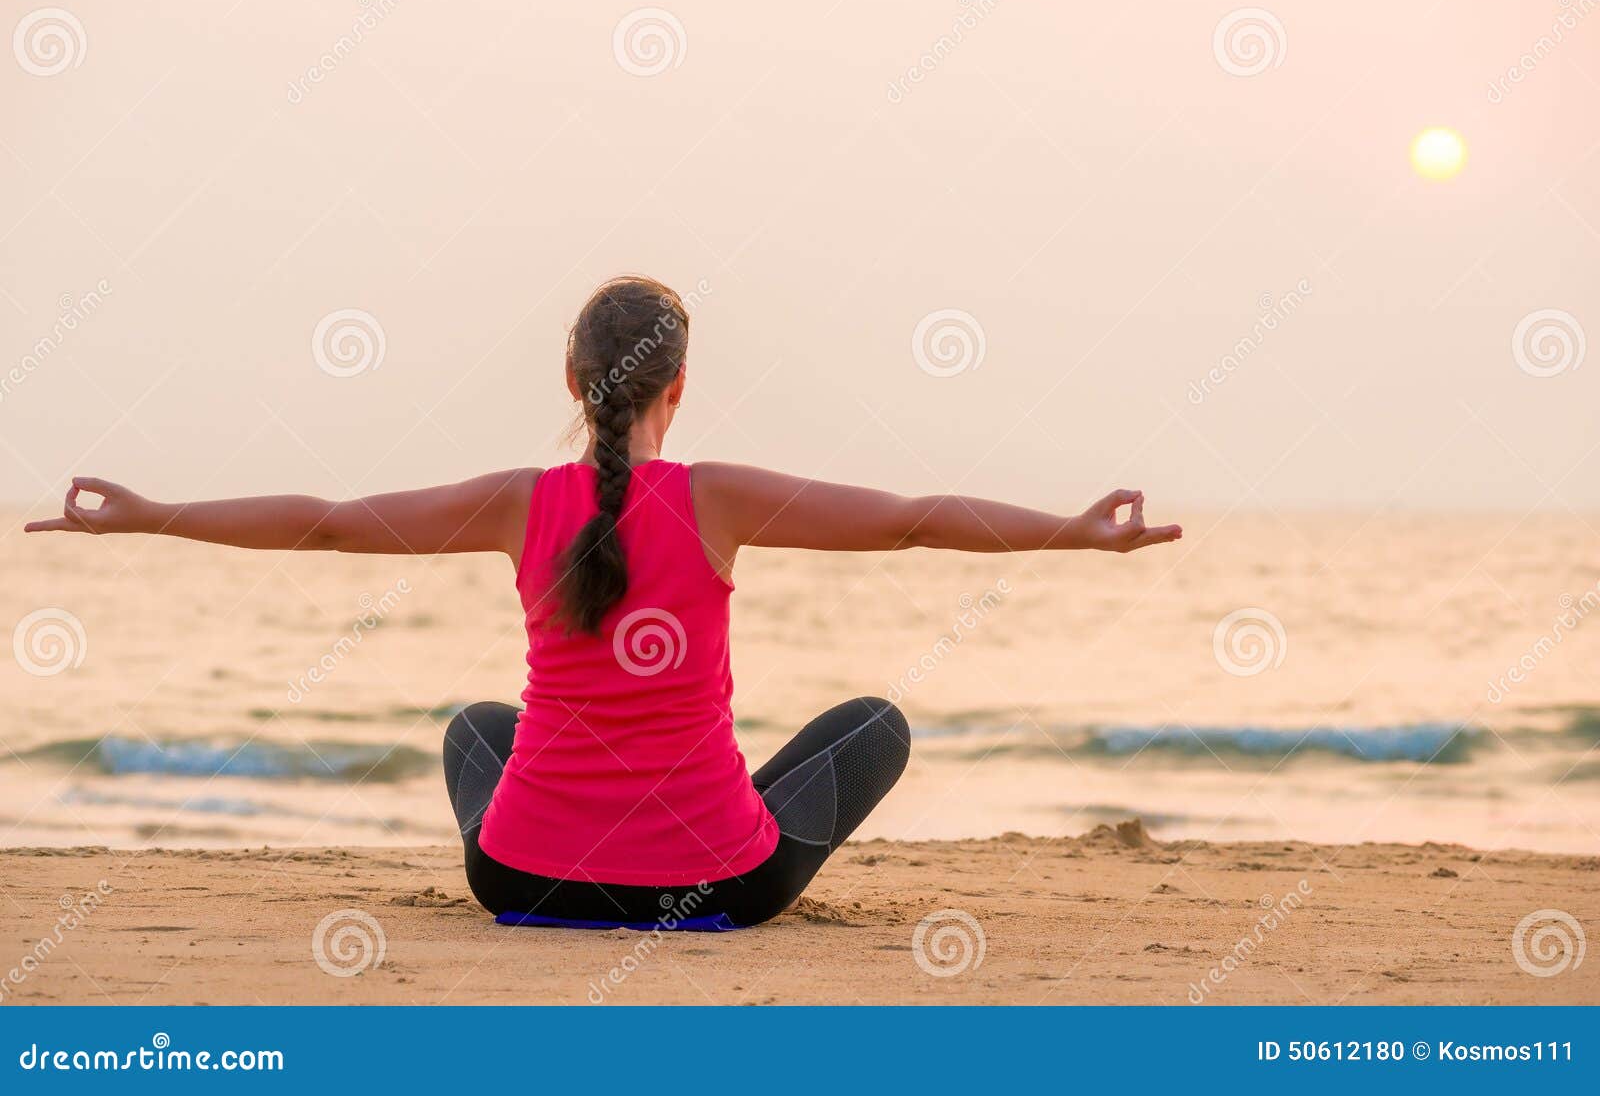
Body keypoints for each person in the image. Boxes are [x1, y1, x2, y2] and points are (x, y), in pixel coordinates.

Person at [25, 275, 1182, 928]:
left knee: (477, 727)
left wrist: (150, 514)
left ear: (571, 383)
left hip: (522, 880)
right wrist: (1076, 533)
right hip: (711, 887)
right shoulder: (719, 498)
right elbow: (915, 517)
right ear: (680, 388)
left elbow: (327, 523)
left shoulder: (516, 502)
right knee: (873, 724)